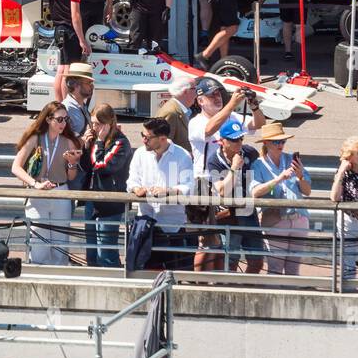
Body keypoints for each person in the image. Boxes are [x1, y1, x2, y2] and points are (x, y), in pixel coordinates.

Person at [11, 101, 82, 266]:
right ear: (48, 120)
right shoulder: (35, 138)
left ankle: (60, 281)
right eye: (59, 119)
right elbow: (16, 167)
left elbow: (71, 176)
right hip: (38, 194)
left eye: (66, 119)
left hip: (60, 192)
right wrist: (35, 184)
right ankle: (38, 276)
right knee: (38, 243)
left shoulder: (68, 141)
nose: (63, 123)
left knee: (60, 244)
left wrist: (72, 163)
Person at [127, 117, 194, 271]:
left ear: (162, 138)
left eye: (147, 137)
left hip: (172, 225)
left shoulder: (182, 155)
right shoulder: (140, 153)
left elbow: (188, 186)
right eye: (142, 135)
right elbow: (131, 180)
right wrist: (136, 189)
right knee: (143, 271)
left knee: (173, 274)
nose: (143, 140)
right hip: (145, 223)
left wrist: (169, 191)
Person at [197, 119, 264, 274]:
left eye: (241, 138)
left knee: (257, 259)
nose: (239, 143)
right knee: (230, 259)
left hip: (248, 212)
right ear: (222, 141)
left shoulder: (249, 152)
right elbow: (222, 191)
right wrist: (234, 167)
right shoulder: (214, 160)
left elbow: (261, 162)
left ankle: (247, 288)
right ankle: (228, 287)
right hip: (229, 215)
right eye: (234, 140)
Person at [250, 121, 312, 275]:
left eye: (283, 141)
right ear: (266, 143)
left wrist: (300, 176)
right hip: (275, 219)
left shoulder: (292, 159)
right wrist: (278, 179)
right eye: (276, 141)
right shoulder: (257, 165)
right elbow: (255, 192)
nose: (280, 144)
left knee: (294, 268)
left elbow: (307, 191)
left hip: (299, 217)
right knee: (275, 267)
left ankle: (293, 296)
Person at [83, 104, 132, 269]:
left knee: (106, 248)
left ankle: (115, 279)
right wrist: (85, 146)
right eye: (92, 123)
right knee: (91, 248)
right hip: (92, 197)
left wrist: (100, 143)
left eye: (97, 124)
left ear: (108, 123)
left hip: (110, 200)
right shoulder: (96, 141)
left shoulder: (121, 143)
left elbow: (102, 166)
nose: (94, 128)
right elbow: (87, 166)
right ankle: (94, 277)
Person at [155, 77, 194, 153]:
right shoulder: (171, 112)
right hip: (174, 163)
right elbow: (162, 146)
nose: (197, 92)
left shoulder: (183, 110)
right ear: (186, 91)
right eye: (195, 88)